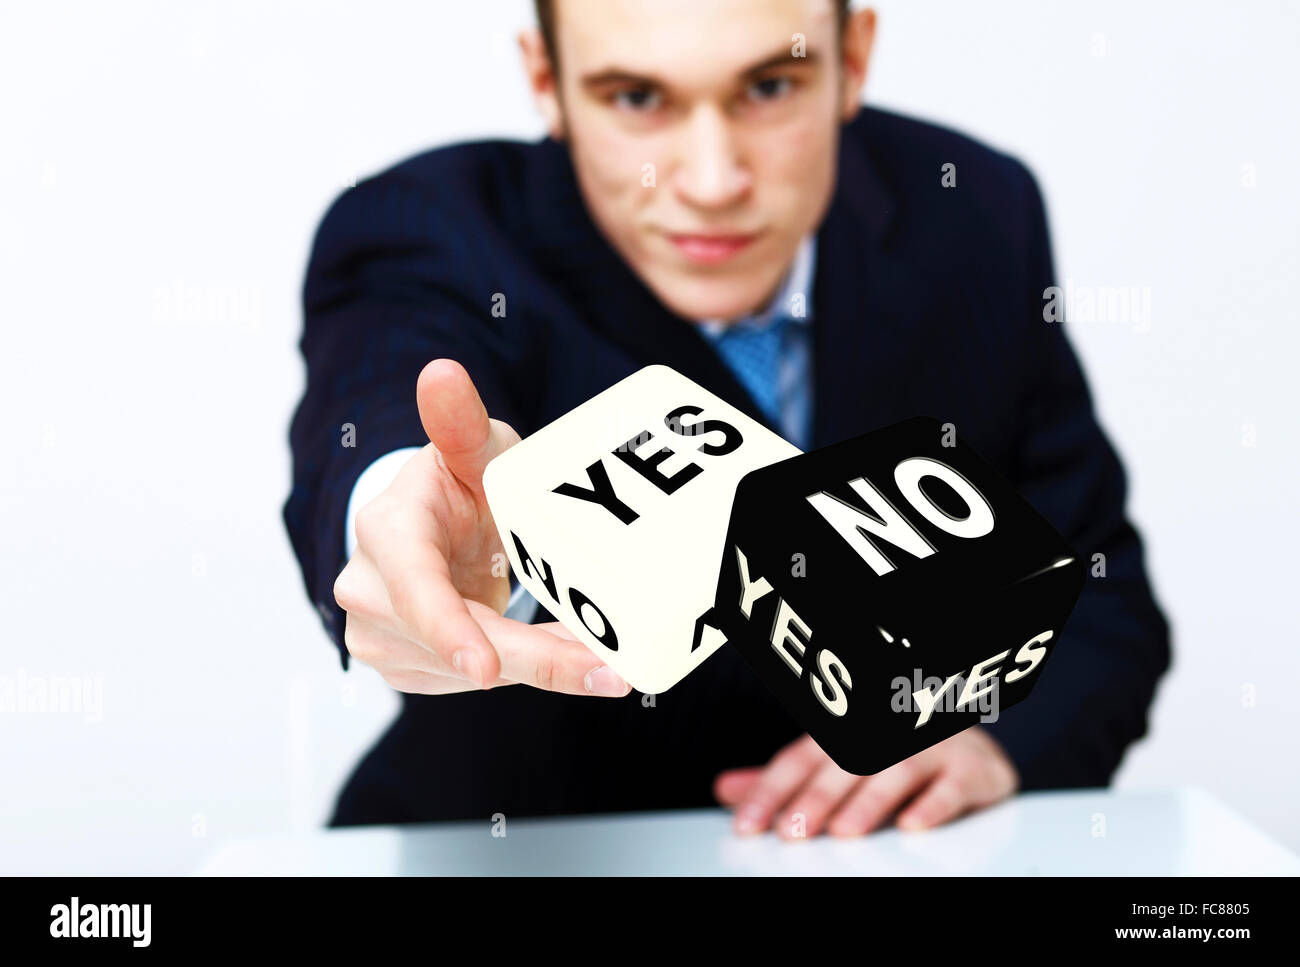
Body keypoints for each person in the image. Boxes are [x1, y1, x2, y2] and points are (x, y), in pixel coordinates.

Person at [284, 0, 1170, 838]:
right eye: (636, 97)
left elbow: (1100, 602)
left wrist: (994, 737)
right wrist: (397, 516)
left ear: (852, 60)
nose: (712, 182)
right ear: (547, 82)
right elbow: (378, 402)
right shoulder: (428, 229)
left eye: (769, 87)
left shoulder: (976, 213)